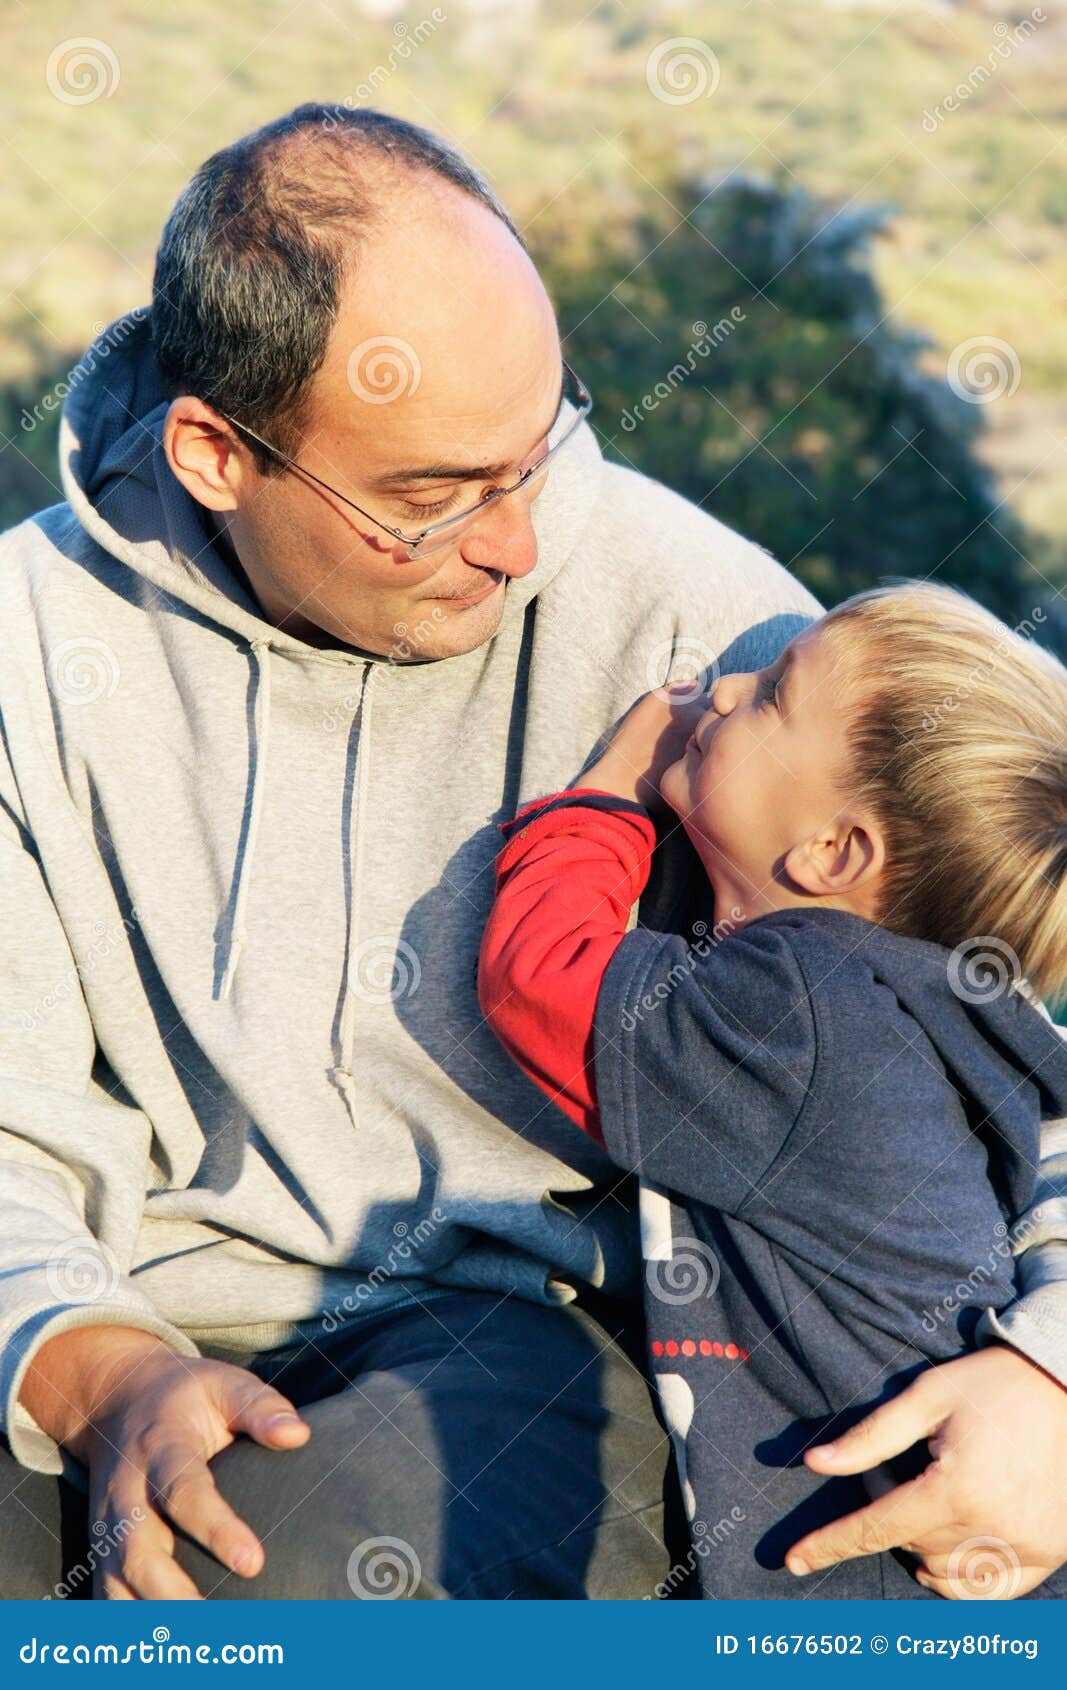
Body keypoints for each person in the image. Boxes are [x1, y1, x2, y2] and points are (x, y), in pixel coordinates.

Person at [0, 104, 1065, 1602]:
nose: (517, 541)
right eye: (433, 499)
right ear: (212, 453)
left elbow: (993, 1054)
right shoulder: (29, 652)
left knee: (271, 1586)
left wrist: (1049, 1374)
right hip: (105, 1303)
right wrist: (87, 1364)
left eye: (538, 450)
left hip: (504, 1331)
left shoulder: (719, 656)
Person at [479, 582, 1067, 1597]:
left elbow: (538, 977)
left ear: (832, 851)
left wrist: (613, 789)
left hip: (879, 1580)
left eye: (770, 696)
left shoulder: (793, 1002)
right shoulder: (940, 1010)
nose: (723, 686)